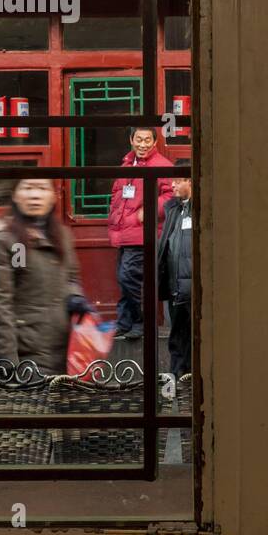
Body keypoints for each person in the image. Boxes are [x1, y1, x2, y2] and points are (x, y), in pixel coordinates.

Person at [0, 179, 90, 375]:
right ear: (15, 195)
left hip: (65, 349)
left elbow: (71, 277)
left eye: (42, 188)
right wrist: (8, 362)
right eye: (28, 188)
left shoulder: (62, 235)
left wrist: (75, 296)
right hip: (26, 353)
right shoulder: (13, 242)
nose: (35, 195)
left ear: (53, 196)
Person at [107, 127, 174, 341]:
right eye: (139, 139)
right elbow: (117, 194)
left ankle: (142, 322)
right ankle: (125, 322)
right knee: (125, 278)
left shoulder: (162, 165)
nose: (143, 144)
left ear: (155, 142)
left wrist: (149, 211)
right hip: (124, 231)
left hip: (143, 233)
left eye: (147, 140)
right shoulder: (127, 164)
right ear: (131, 140)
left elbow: (172, 195)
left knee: (129, 277)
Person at [157, 176, 194, 377]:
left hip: (193, 291)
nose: (172, 185)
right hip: (176, 289)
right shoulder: (174, 210)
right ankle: (178, 387)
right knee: (177, 341)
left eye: (177, 181)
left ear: (190, 181)